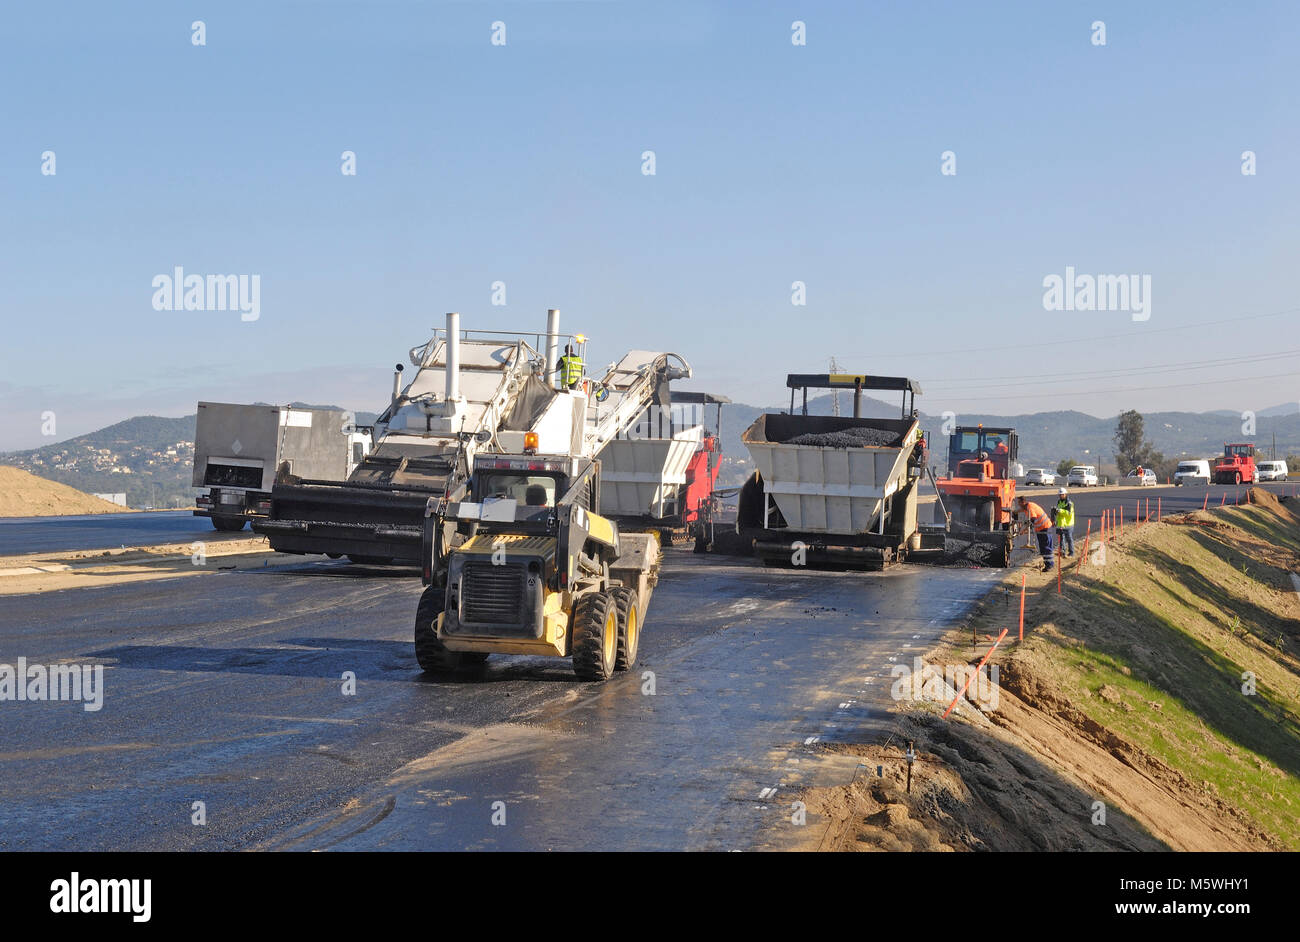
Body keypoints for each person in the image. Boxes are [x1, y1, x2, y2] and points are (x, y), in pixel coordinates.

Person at [1016, 495, 1055, 570]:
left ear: (1023, 502)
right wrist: (1013, 512)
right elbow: (1018, 510)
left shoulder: (1030, 508)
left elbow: (1032, 520)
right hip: (1040, 529)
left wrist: (1024, 530)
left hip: (1045, 528)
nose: (1018, 504)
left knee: (1046, 547)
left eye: (1019, 503)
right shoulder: (1025, 508)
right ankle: (1047, 564)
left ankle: (1049, 565)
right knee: (1042, 547)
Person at [1052, 486, 1075, 557]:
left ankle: (1071, 553)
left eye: (1062, 494)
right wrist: (1055, 512)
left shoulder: (1069, 503)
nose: (1061, 496)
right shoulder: (1059, 502)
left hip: (1068, 524)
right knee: (1061, 539)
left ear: (1065, 494)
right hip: (1060, 523)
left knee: (1069, 539)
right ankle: (1062, 552)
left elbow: (1068, 513)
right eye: (1060, 495)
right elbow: (1058, 512)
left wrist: (1059, 510)